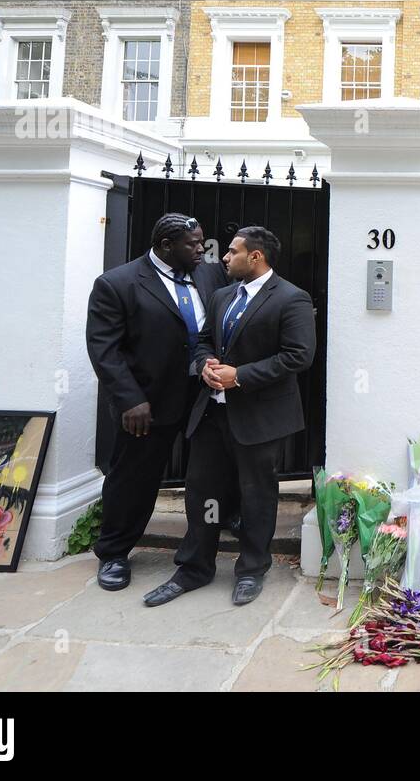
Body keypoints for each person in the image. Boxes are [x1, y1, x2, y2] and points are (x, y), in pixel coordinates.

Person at [144, 226, 316, 608]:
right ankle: (194, 567)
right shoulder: (222, 296)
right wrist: (205, 364)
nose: (224, 256)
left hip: (261, 417)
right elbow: (204, 340)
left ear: (255, 257)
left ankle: (251, 569)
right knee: (202, 492)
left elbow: (298, 355)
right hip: (212, 413)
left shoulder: (291, 298)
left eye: (233, 251)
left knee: (256, 495)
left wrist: (239, 376)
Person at [84, 213, 229, 591]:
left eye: (201, 242)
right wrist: (130, 399)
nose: (201, 249)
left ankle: (221, 524)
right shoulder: (118, 283)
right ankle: (114, 552)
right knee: (134, 478)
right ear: (166, 245)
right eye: (192, 244)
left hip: (203, 396)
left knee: (213, 471)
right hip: (147, 403)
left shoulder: (209, 274)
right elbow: (105, 349)